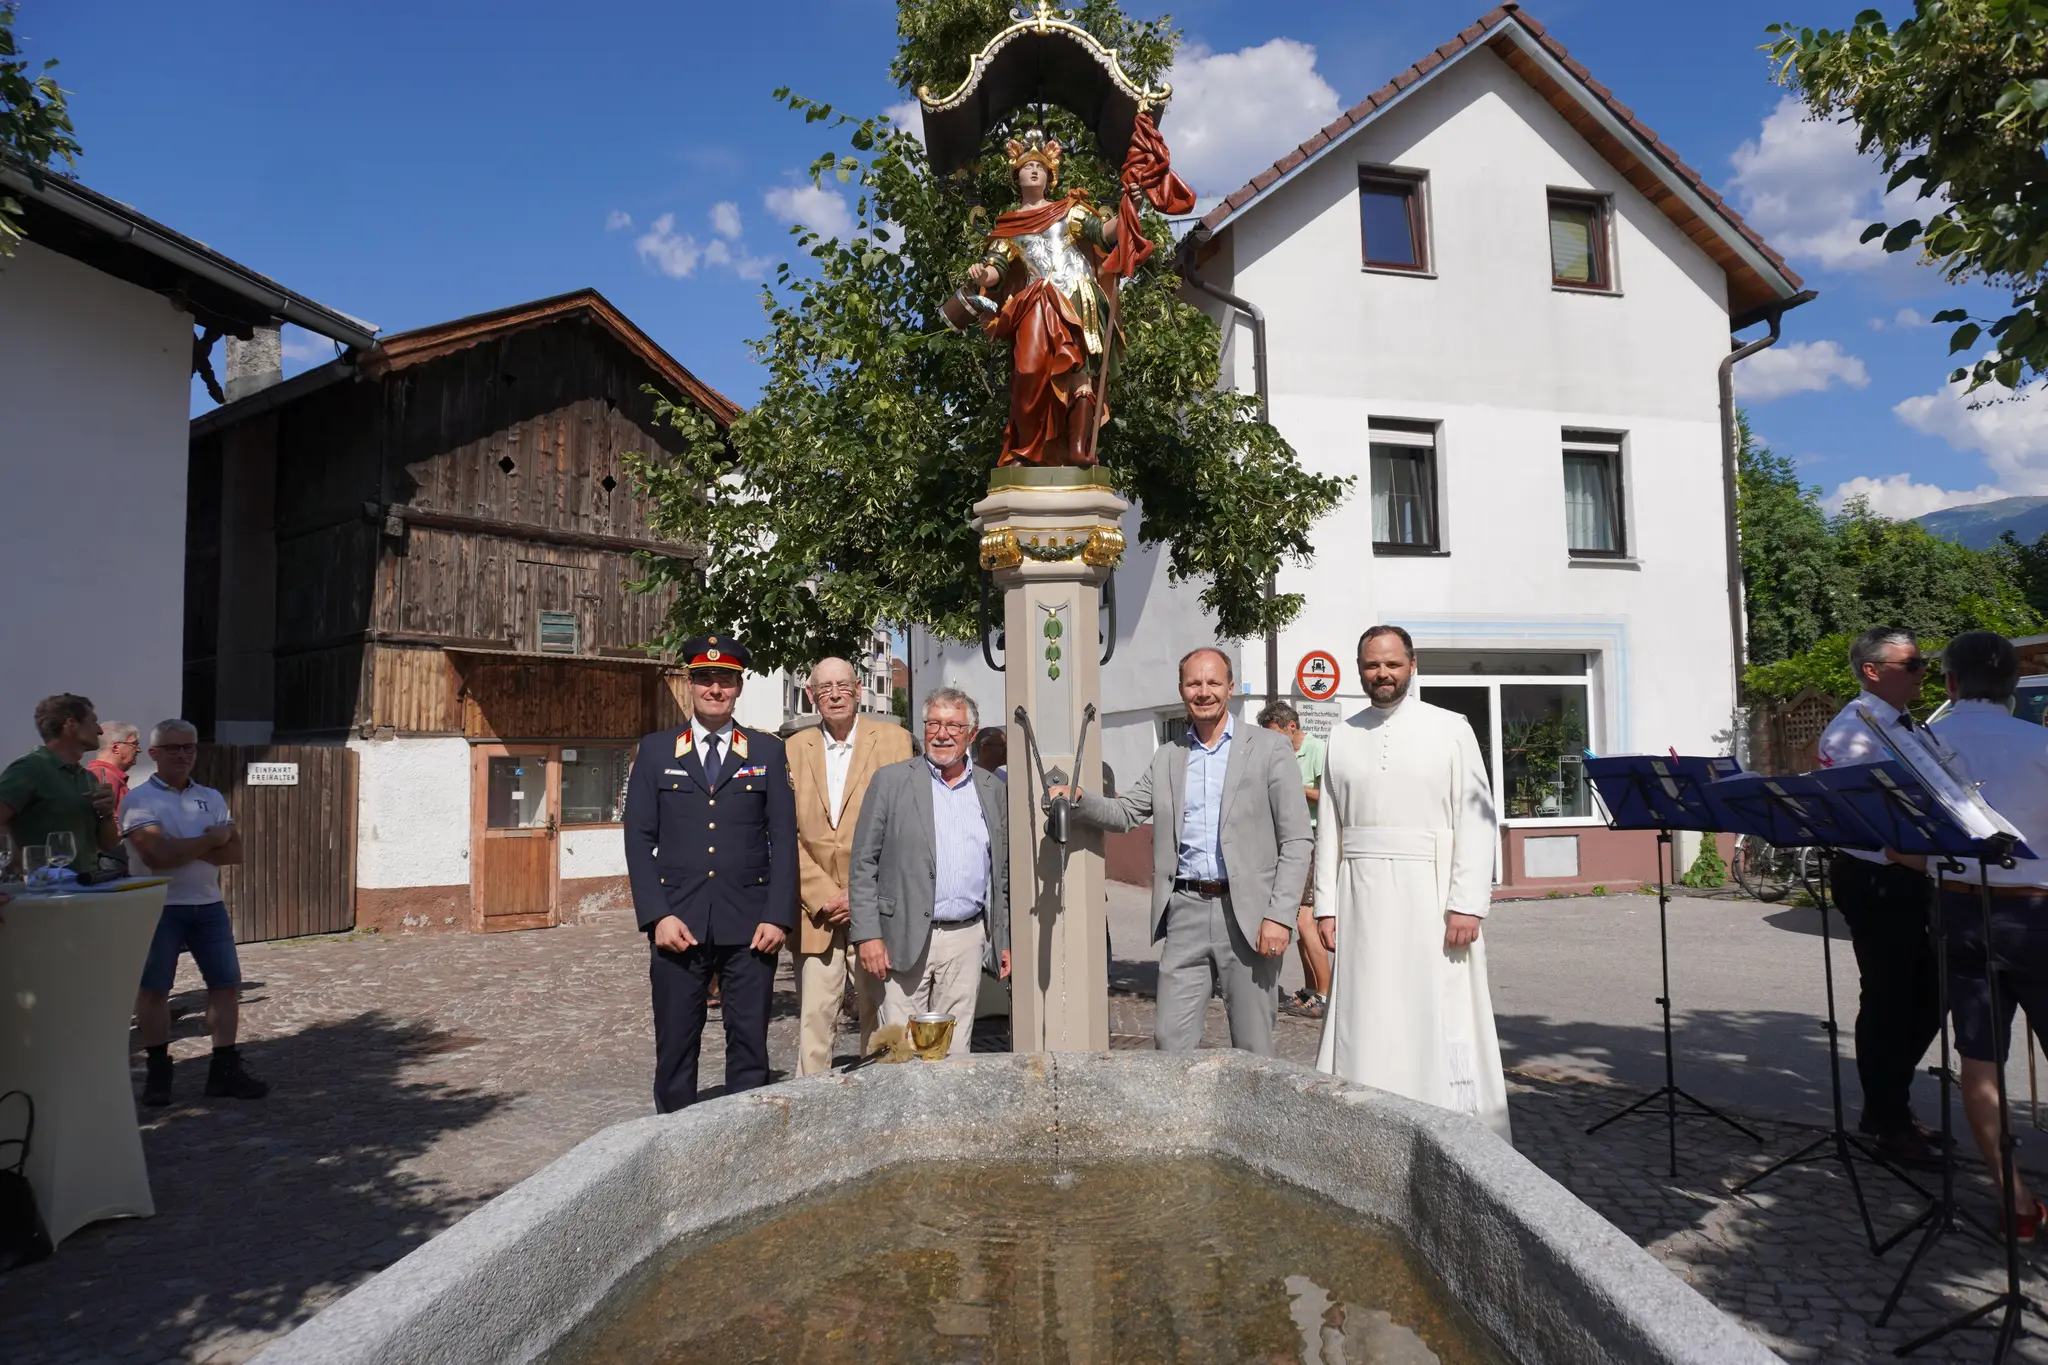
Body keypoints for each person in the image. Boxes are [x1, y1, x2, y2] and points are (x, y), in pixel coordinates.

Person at [1056, 648, 1311, 1055]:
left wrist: (1279, 916)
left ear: (1230, 687)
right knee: (1170, 1042)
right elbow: (1125, 813)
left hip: (1248, 916)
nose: (1204, 691)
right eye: (1194, 683)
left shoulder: (1268, 749)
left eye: (1213, 682)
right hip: (1186, 911)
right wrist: (1080, 799)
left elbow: (1297, 839)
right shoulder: (1169, 756)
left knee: (1252, 1047)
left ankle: (1246, 1121)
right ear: (1181, 690)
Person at [1313, 626, 1510, 1139]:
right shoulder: (1341, 734)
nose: (1383, 674)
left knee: (1431, 1009)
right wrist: (1326, 907)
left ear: (1412, 664)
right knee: (1366, 1011)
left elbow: (1477, 819)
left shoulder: (1451, 728)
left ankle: (1445, 1128)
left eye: (1392, 664)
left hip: (1431, 897)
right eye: (1372, 666)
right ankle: (1362, 1122)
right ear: (1360, 668)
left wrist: (1468, 903)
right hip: (1359, 897)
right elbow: (1330, 828)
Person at [623, 636, 797, 1112]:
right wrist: (657, 916)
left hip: (751, 927)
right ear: (690, 685)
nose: (715, 689)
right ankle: (672, 1148)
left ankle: (743, 1149)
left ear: (738, 688)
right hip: (679, 924)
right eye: (705, 679)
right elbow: (638, 840)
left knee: (750, 1049)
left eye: (725, 680)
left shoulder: (766, 750)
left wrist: (778, 917)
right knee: (676, 1047)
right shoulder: (657, 751)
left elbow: (784, 840)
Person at [1928, 631, 2048, 1236]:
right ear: (2012, 686)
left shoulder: (1923, 749)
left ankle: (2016, 1202)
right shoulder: (2040, 742)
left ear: (1949, 683)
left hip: (1958, 910)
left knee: (1979, 1059)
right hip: (2037, 911)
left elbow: (1897, 845)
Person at [1814, 626, 1943, 1165]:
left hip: (1916, 873)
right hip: (1878, 875)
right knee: (1890, 998)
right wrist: (1907, 856)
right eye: (1911, 664)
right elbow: (1861, 818)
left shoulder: (1903, 724)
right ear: (1873, 670)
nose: (1922, 672)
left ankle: (1887, 1102)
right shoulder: (1855, 732)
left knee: (1932, 994)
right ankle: (1888, 1120)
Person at [849, 687, 1010, 1056]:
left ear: (972, 732)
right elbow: (862, 865)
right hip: (902, 938)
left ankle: (947, 1116)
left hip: (966, 937)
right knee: (900, 1049)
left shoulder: (991, 789)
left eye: (953, 726)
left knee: (954, 1051)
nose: (942, 734)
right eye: (934, 723)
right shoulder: (890, 782)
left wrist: (1003, 939)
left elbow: (1000, 871)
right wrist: (868, 935)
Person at [123, 720, 267, 1105]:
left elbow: (235, 853)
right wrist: (209, 839)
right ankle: (158, 1071)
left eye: (189, 747)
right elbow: (155, 858)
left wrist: (178, 846)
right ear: (154, 754)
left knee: (225, 986)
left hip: (207, 904)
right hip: (158, 905)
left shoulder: (212, 796)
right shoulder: (139, 800)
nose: (183, 754)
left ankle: (223, 1069)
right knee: (154, 990)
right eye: (173, 748)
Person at [786, 657, 911, 1076]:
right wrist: (823, 895)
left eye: (843, 685)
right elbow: (782, 834)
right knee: (814, 1020)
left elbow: (902, 830)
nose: (835, 694)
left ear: (858, 689)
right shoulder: (791, 749)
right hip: (816, 913)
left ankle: (880, 1103)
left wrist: (861, 896)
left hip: (874, 909)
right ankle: (808, 1111)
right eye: (824, 688)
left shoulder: (895, 741)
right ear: (811, 696)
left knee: (881, 1015)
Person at [1259, 700, 1330, 1020]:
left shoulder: (1317, 750)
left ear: (1291, 727)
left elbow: (1330, 796)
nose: (1270, 743)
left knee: (1304, 920)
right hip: (1288, 841)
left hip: (1313, 840)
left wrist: (1294, 788)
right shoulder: (1281, 754)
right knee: (1298, 922)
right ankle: (1310, 990)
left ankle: (1326, 995)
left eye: (1275, 735)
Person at [0, 694, 121, 875]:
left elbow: (108, 844)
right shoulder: (31, 767)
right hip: (42, 893)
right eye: (93, 722)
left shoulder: (88, 778)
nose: (100, 731)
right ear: (71, 724)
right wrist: (20, 869)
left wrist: (107, 814)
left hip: (83, 887)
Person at [86, 722, 140, 815]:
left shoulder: (104, 774)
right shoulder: (104, 775)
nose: (139, 750)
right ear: (116, 748)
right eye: (134, 744)